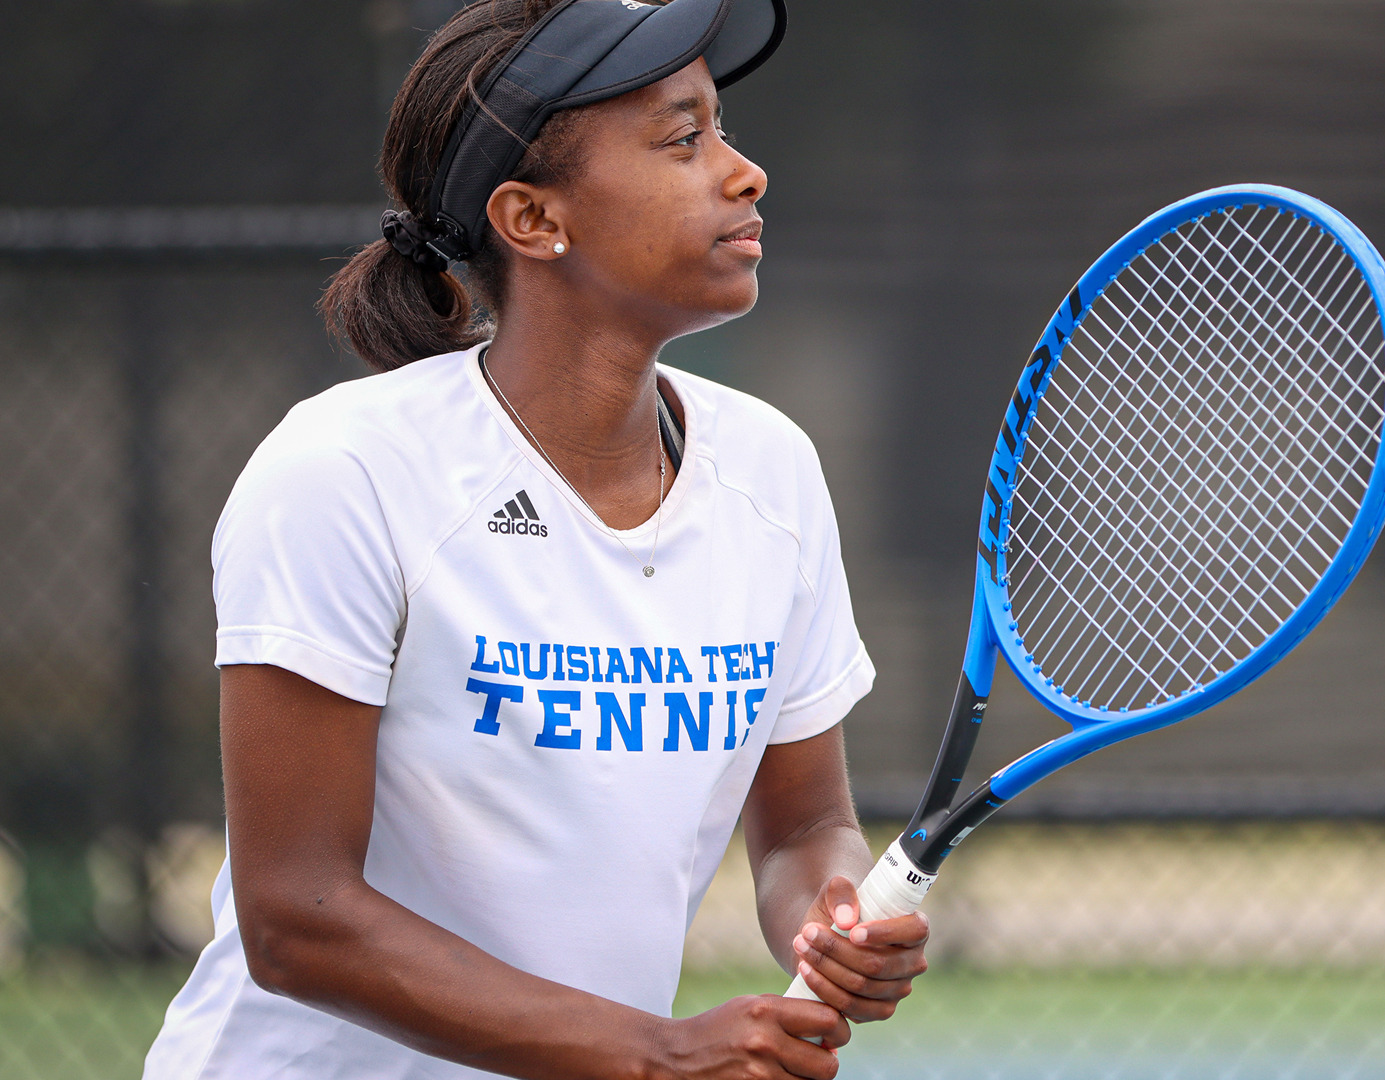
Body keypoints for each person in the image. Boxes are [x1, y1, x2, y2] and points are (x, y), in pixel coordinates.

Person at [143, 1, 928, 1077]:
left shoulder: (773, 469)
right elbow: (298, 915)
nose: (743, 174)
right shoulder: (346, 472)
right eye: (683, 137)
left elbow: (801, 825)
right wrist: (656, 1055)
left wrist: (831, 911)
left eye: (724, 129)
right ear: (531, 218)